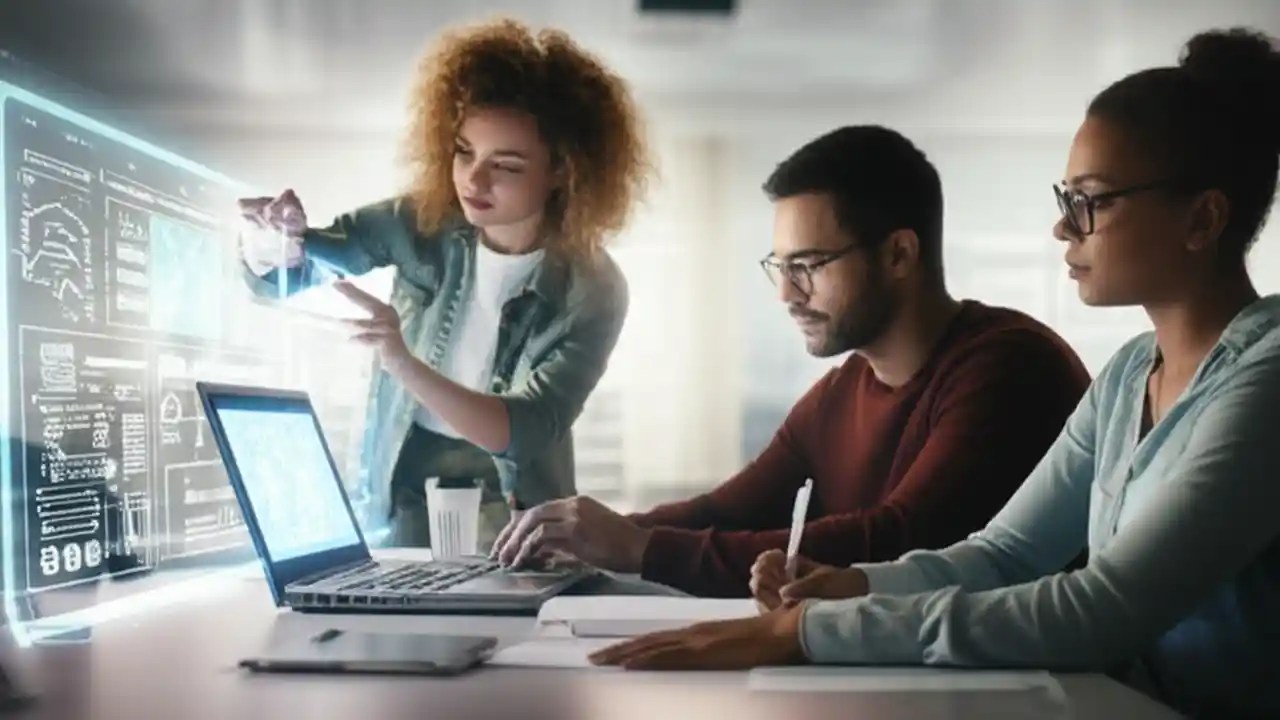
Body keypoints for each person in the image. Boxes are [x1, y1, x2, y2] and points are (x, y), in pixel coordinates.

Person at [591, 27, 1280, 720]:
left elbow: (1102, 609)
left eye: (1091, 201)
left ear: (1202, 220)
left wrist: (808, 632)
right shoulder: (1130, 372)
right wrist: (855, 587)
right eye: (1065, 199)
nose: (1063, 228)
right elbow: (1004, 555)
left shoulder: (1265, 381)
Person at [491, 125, 1091, 596]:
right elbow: (727, 511)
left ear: (899, 255)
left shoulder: (1008, 368)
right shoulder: (841, 392)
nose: (786, 293)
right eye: (780, 267)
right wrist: (586, 535)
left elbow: (902, 540)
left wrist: (639, 550)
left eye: (808, 265)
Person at [238, 18, 650, 549]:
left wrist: (403, 361)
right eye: (463, 151)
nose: (473, 180)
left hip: (518, 508)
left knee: (510, 597)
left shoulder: (593, 289)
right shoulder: (422, 221)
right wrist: (275, 237)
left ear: (562, 172)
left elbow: (524, 431)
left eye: (506, 165)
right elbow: (290, 272)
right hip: (405, 482)